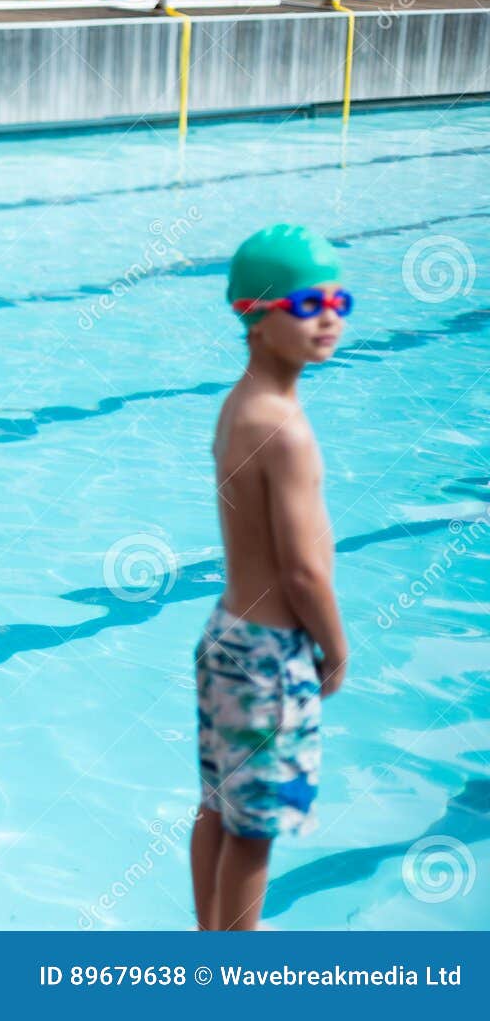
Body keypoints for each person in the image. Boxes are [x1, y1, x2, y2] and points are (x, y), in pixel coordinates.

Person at [191, 224, 352, 930]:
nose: (329, 317)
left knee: (217, 810)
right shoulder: (283, 427)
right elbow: (302, 567)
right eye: (308, 301)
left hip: (227, 635)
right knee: (253, 829)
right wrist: (336, 647)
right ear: (255, 314)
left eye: (339, 300)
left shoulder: (240, 402)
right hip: (269, 655)